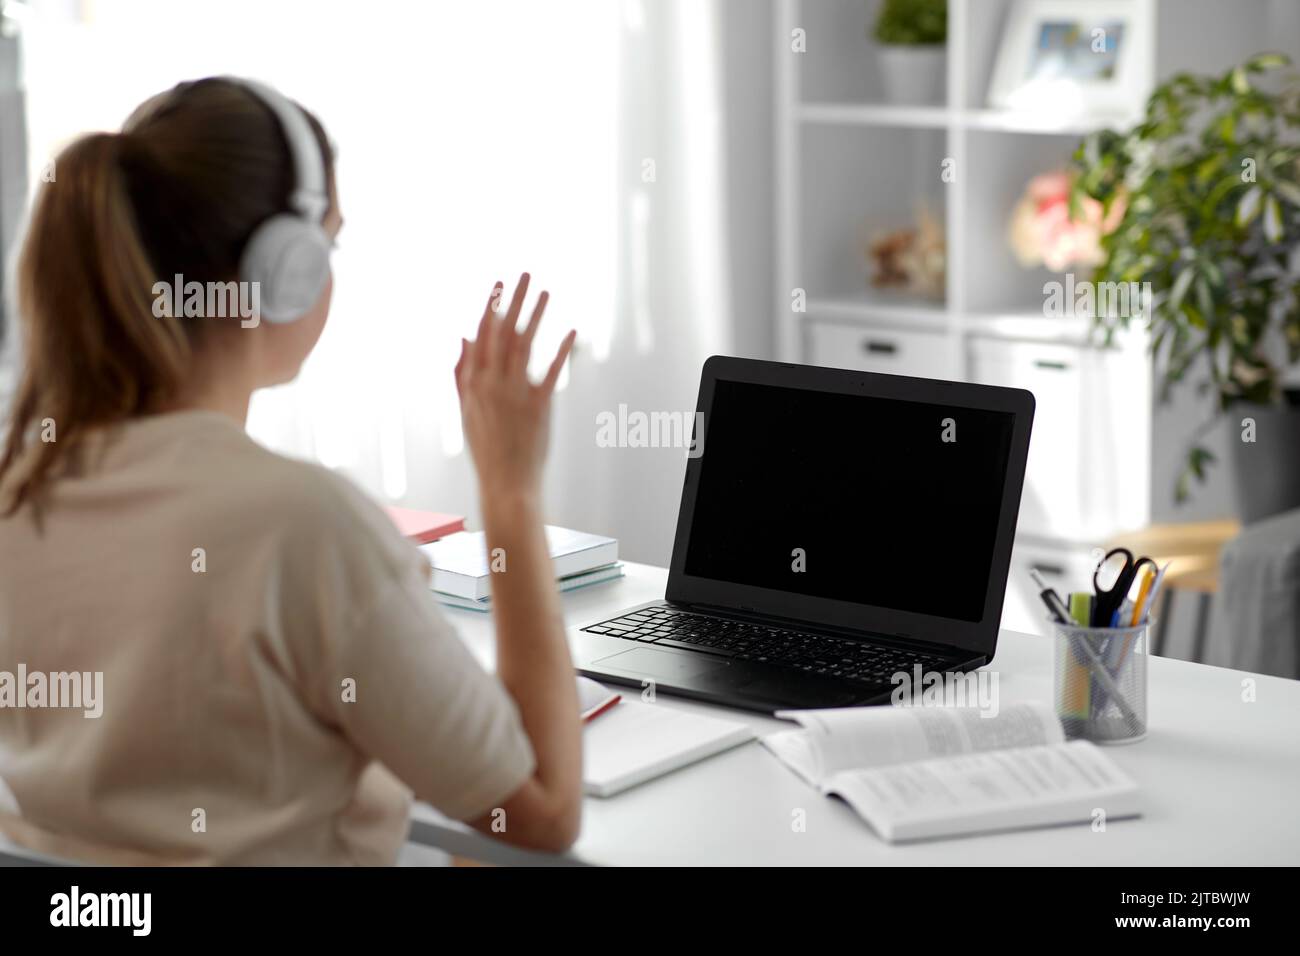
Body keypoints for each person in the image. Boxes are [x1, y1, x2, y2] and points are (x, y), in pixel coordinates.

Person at [0, 76, 581, 864]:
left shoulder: (19, 481)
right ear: (286, 268)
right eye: (328, 245)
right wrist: (510, 493)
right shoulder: (302, 525)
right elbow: (541, 811)